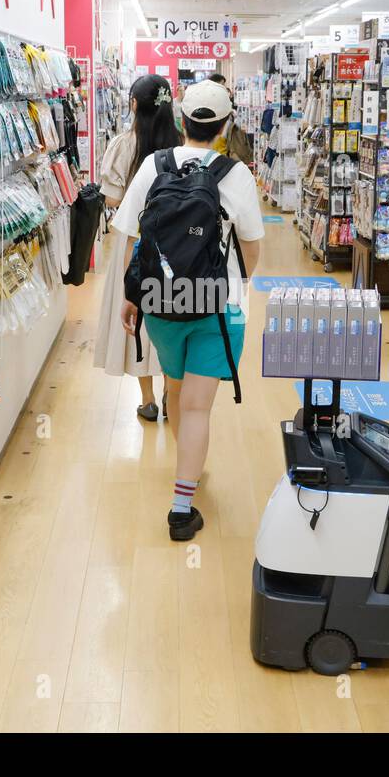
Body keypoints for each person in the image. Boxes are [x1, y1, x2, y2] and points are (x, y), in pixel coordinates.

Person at [114, 81, 264, 541]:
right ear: (224, 127)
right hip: (214, 306)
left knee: (174, 392)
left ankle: (188, 465)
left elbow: (133, 237)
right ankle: (183, 506)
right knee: (199, 406)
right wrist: (236, 283)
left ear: (182, 121)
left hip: (160, 304)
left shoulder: (152, 167)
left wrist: (131, 295)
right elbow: (252, 247)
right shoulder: (235, 175)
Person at [92, 74, 182, 421]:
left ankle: (148, 400)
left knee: (137, 318)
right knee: (171, 316)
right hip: (175, 245)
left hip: (135, 242)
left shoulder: (124, 144)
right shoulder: (181, 145)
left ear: (133, 104)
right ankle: (170, 393)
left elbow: (112, 196)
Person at [209, 73, 254, 165]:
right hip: (217, 141)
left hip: (221, 145)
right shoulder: (212, 100)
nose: (224, 88)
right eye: (222, 84)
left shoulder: (221, 99)